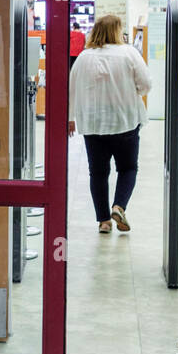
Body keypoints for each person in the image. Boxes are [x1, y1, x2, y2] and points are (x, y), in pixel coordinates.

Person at [68, 14, 151, 234]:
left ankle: (104, 221)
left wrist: (70, 118)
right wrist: (133, 92)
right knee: (128, 168)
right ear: (117, 31)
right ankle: (119, 206)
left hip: (93, 125)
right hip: (125, 121)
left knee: (97, 173)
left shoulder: (84, 57)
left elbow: (71, 89)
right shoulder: (129, 53)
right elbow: (146, 84)